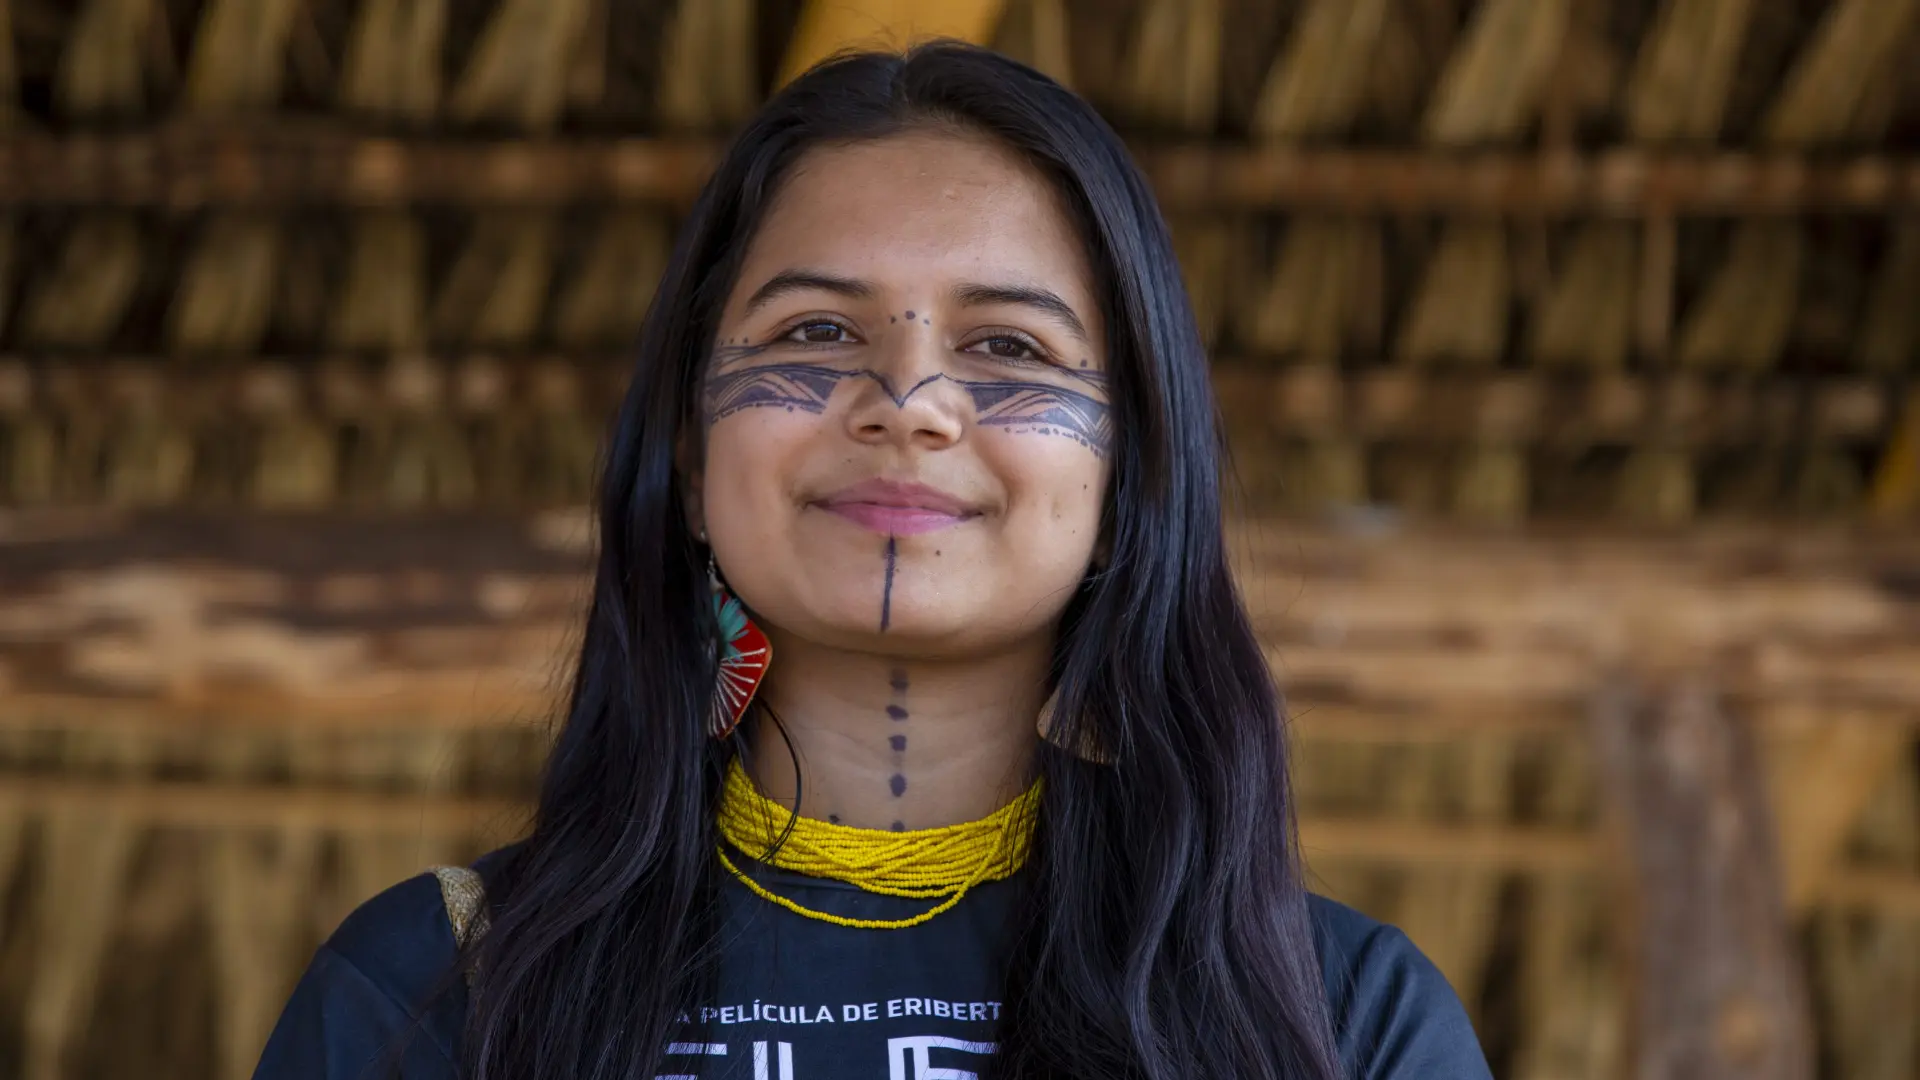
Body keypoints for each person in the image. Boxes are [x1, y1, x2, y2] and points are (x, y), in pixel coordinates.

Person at [253, 41, 1494, 1080]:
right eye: (816, 329)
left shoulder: (1341, 1019)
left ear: (1127, 483)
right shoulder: (430, 988)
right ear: (691, 461)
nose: (908, 400)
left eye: (1008, 346)